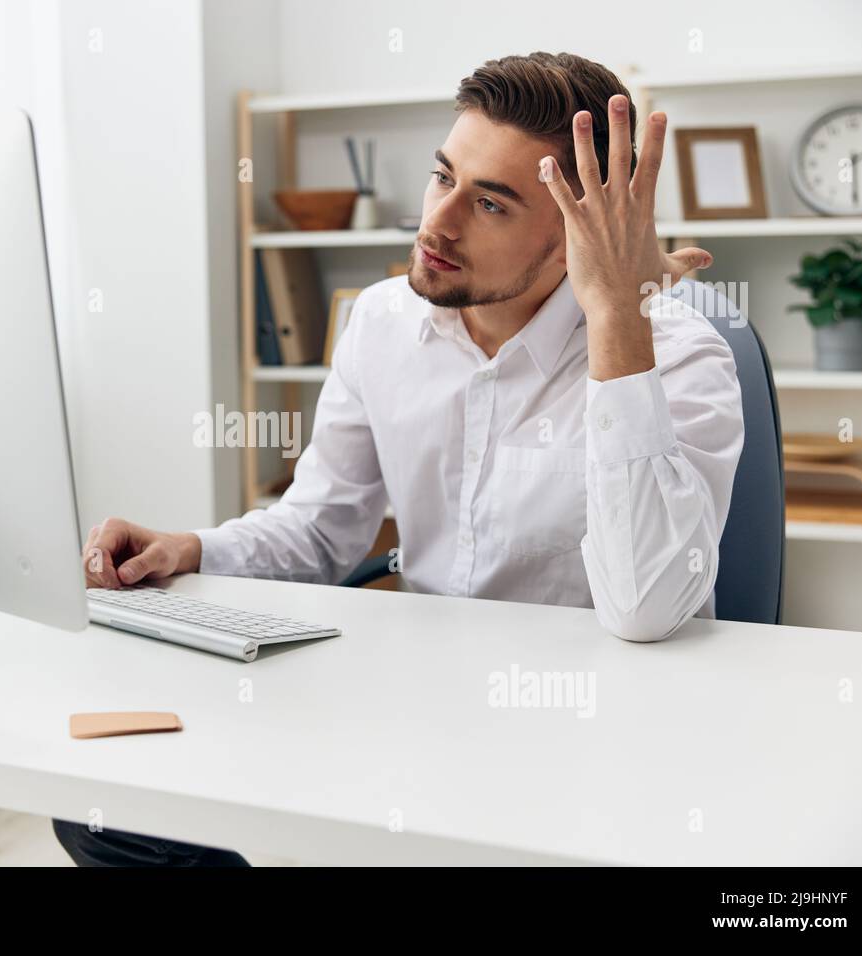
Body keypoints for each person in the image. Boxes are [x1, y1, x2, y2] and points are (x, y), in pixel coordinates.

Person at [54, 51, 743, 868]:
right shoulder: (381, 324)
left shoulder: (680, 356)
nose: (438, 223)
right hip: (414, 719)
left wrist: (613, 317)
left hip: (588, 753)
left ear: (577, 241)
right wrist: (192, 549)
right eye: (442, 176)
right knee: (107, 817)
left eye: (488, 203)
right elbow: (319, 530)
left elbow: (646, 609)